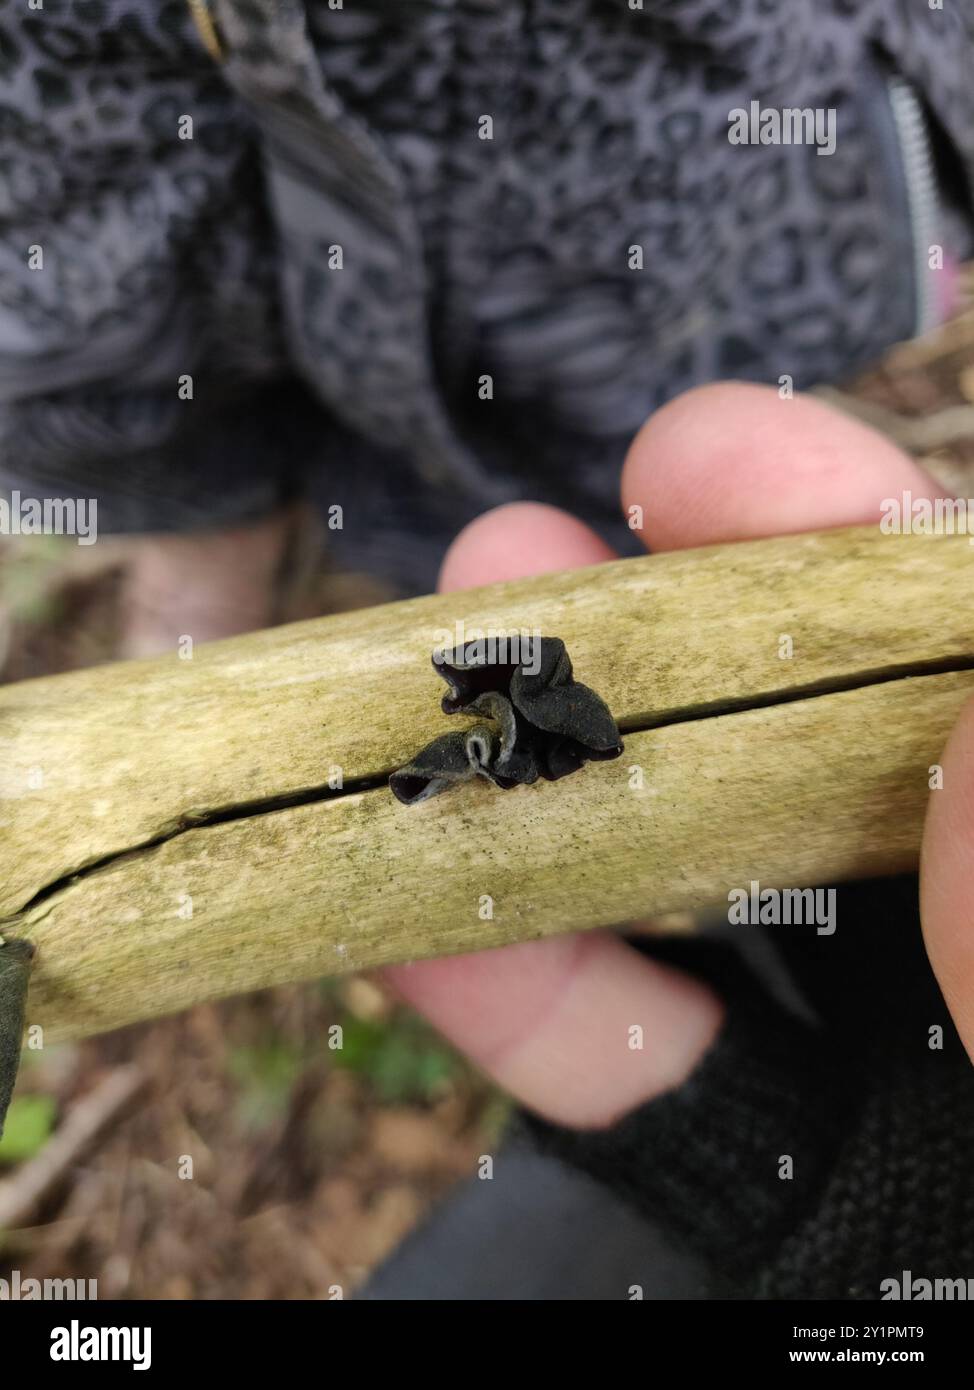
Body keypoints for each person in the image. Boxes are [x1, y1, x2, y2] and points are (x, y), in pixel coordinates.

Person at [2, 0, 974, 1297]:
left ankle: (402, 517)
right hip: (86, 111)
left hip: (650, 155)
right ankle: (207, 507)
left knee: (585, 466)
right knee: (116, 314)